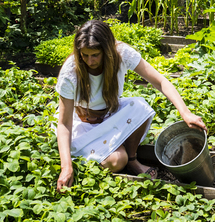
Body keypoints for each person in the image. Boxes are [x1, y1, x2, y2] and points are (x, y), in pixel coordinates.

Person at [54, 20, 206, 192]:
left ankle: (133, 159)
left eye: (95, 54)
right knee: (117, 161)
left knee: (140, 106)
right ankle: (97, 154)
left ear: (107, 50)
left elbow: (160, 81)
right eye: (85, 55)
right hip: (84, 126)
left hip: (110, 115)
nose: (90, 60)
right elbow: (64, 123)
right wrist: (66, 167)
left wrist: (185, 113)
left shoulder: (121, 54)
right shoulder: (71, 72)